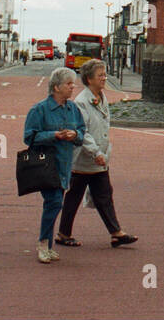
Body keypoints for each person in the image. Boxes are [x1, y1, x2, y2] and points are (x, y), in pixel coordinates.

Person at [57, 60, 137, 249]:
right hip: (85, 159)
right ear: (89, 79)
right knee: (78, 195)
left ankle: (115, 233)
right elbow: (82, 131)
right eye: (100, 75)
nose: (104, 78)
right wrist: (96, 152)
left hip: (98, 157)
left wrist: (103, 152)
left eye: (104, 74)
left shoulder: (100, 96)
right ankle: (64, 233)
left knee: (102, 194)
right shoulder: (81, 102)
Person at [23, 66, 86, 263]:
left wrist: (75, 134)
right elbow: (29, 137)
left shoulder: (73, 109)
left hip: (65, 164)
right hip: (46, 165)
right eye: (68, 84)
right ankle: (43, 243)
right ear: (56, 87)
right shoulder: (39, 109)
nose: (72, 87)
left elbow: (82, 131)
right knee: (54, 202)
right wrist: (54, 135)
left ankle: (47, 245)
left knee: (54, 203)